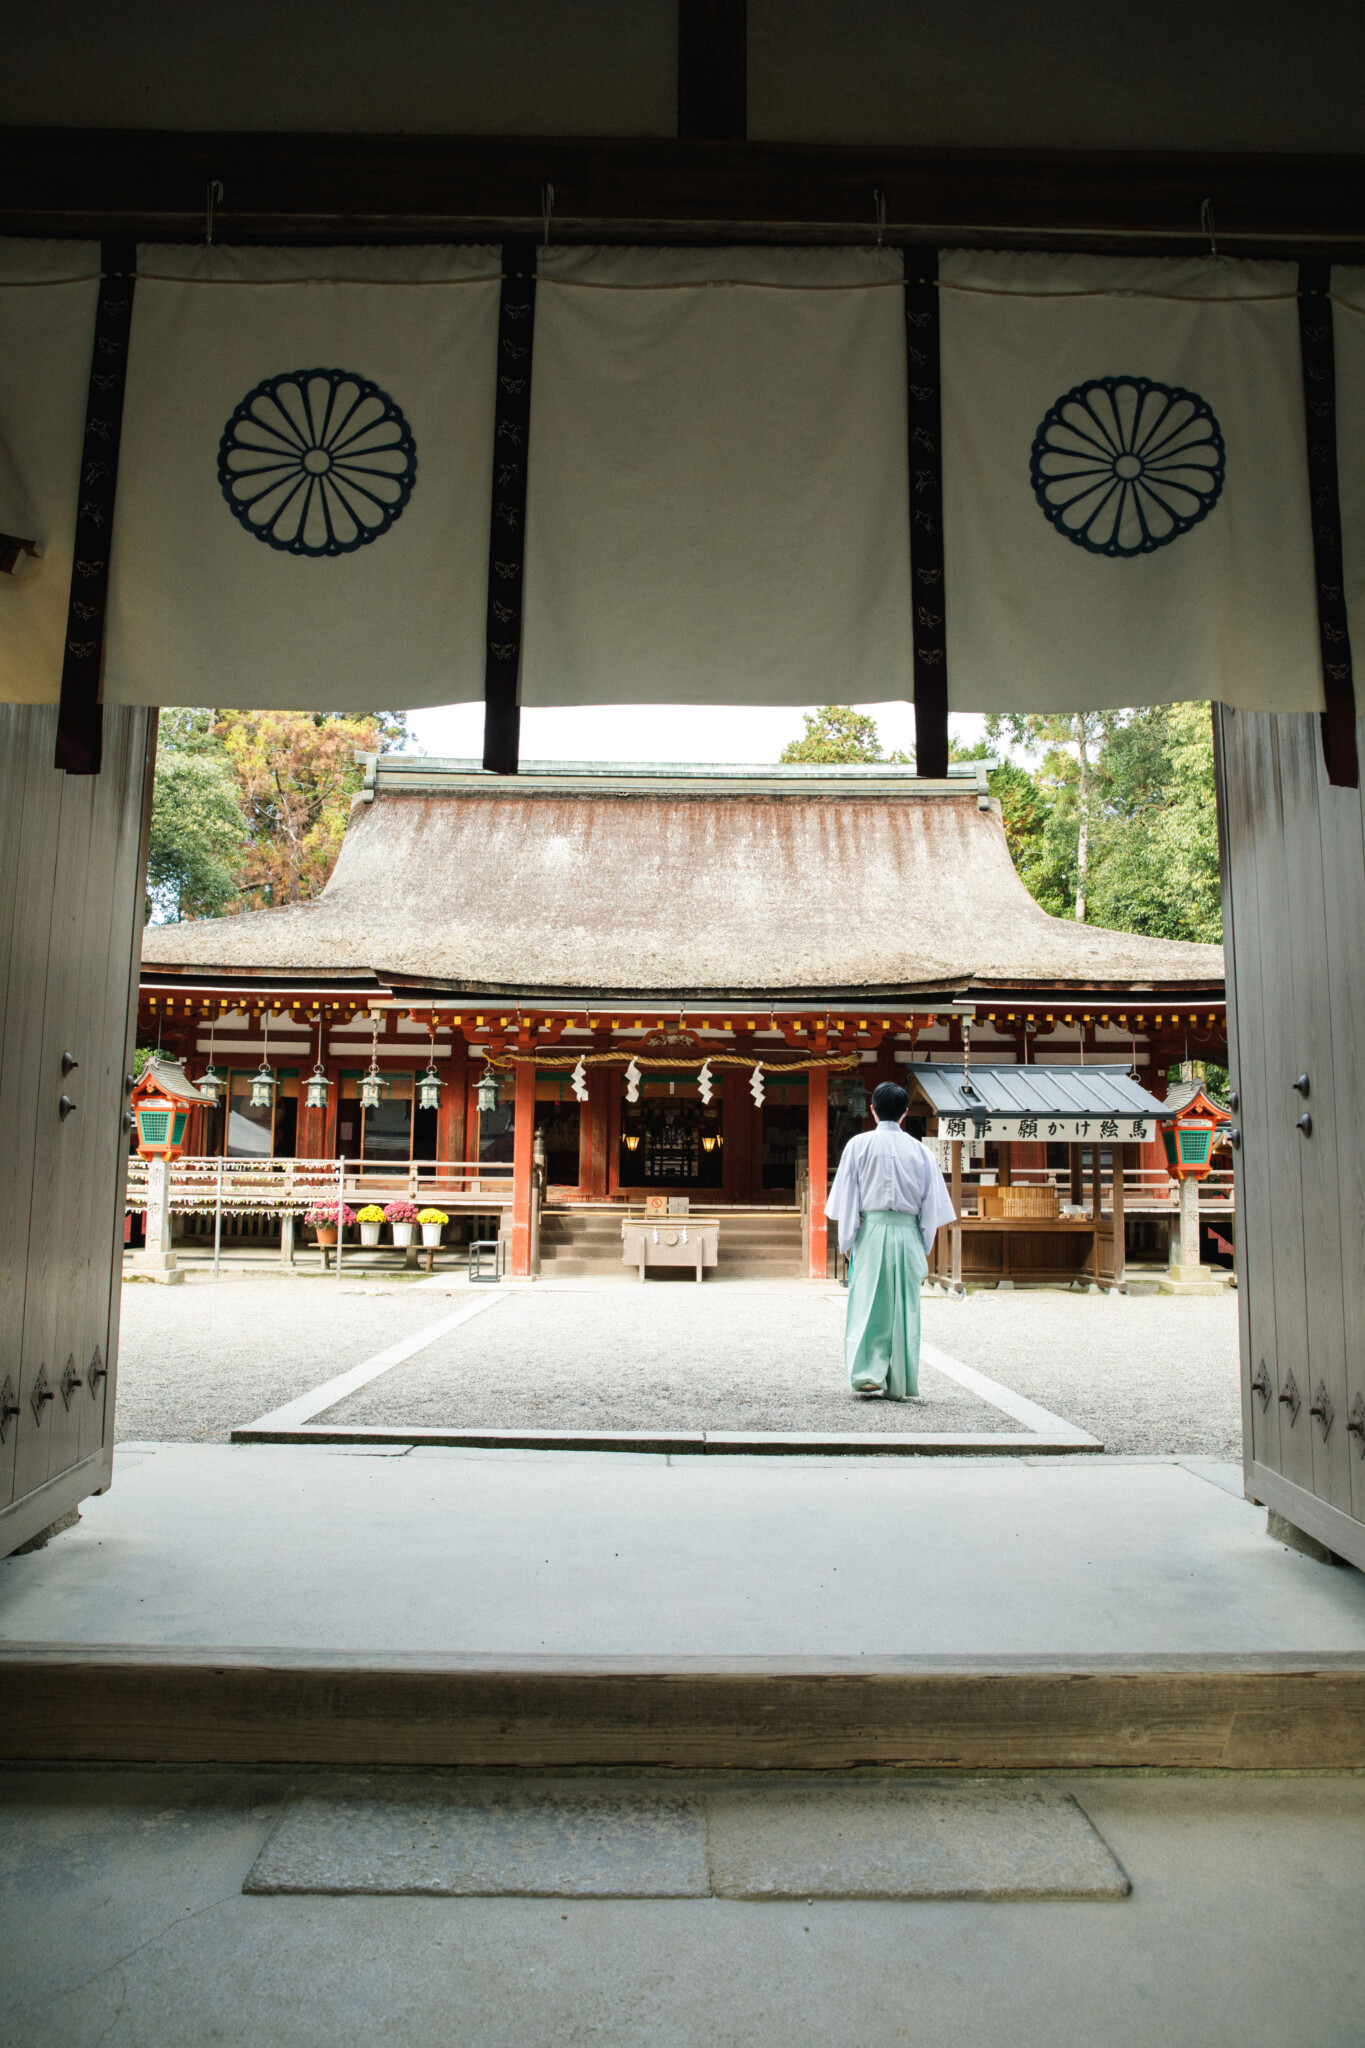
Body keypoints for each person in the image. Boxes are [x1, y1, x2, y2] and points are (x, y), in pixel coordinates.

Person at [825, 1080, 957, 1400]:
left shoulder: (858, 1145)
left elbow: (848, 1199)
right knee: (905, 1309)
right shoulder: (922, 1151)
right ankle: (899, 1381)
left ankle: (868, 1373)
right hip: (909, 1231)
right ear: (905, 1113)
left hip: (871, 1230)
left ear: (872, 1110)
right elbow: (930, 1207)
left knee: (868, 1304)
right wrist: (922, 1246)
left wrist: (847, 1242)